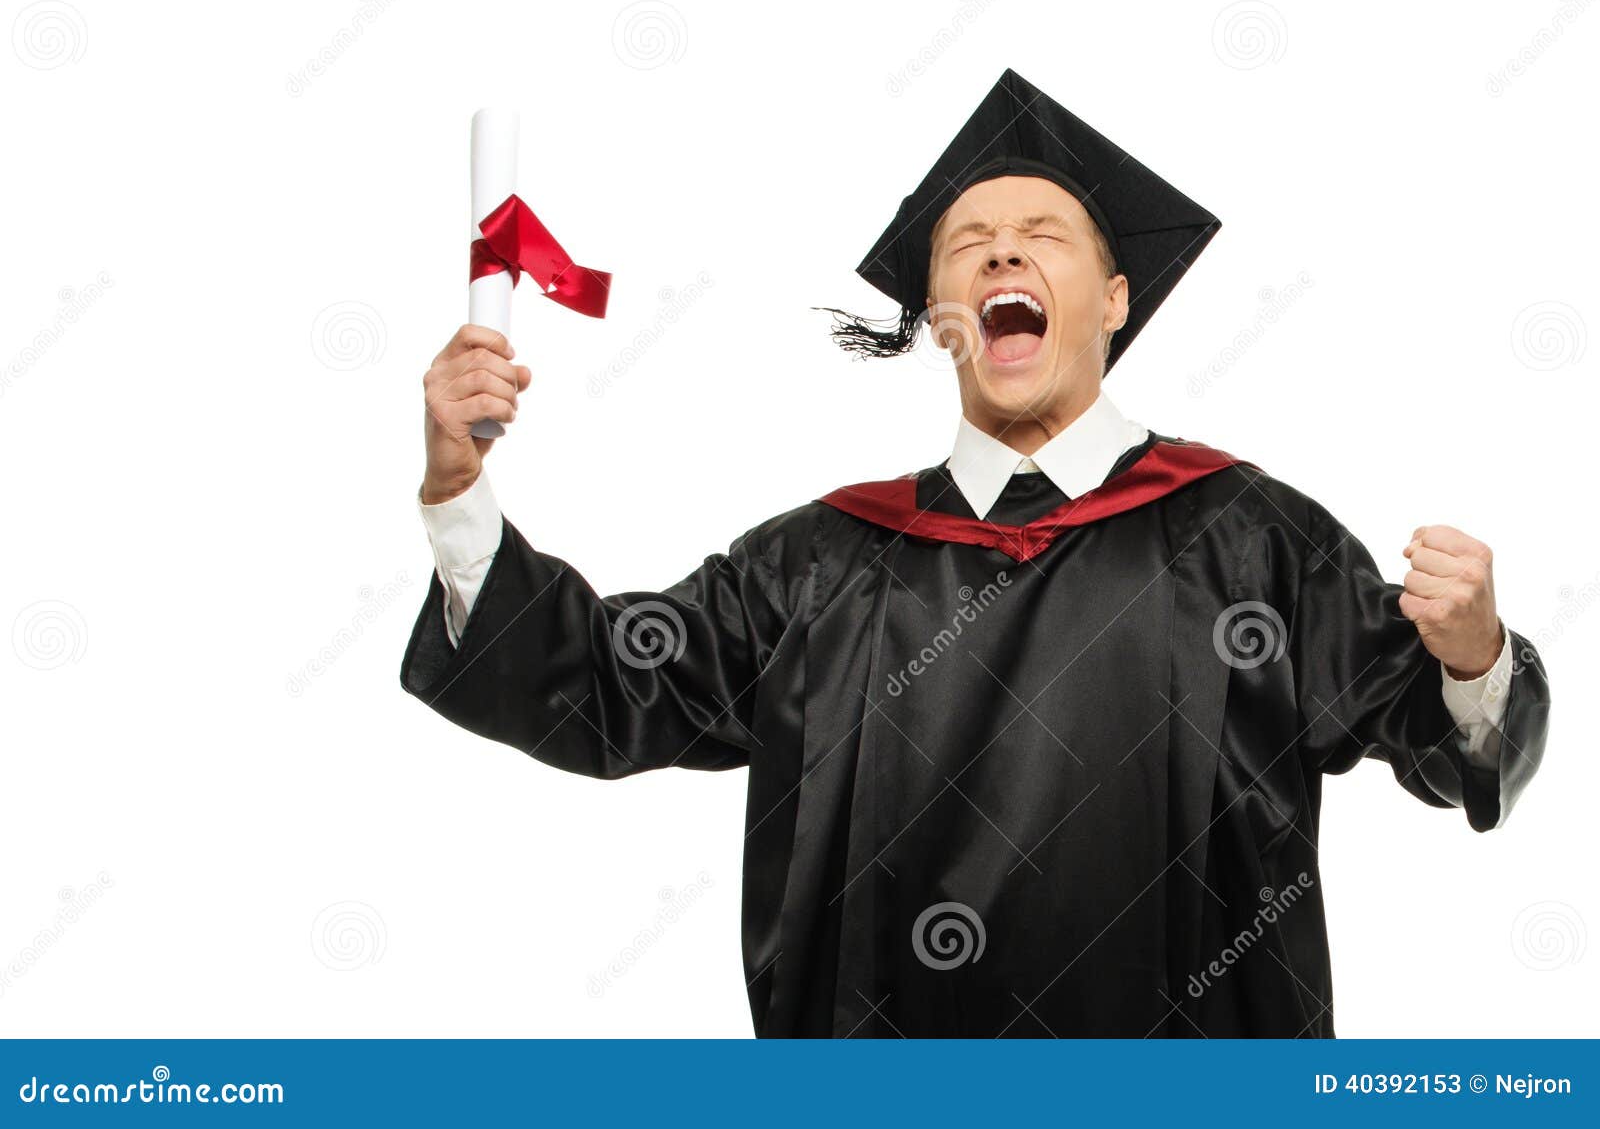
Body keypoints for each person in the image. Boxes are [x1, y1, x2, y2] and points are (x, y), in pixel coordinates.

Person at [400, 68, 1550, 1038]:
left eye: (1042, 235)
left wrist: (1470, 651)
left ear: (1111, 297)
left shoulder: (1252, 538)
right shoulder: (820, 562)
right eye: (968, 247)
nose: (1004, 255)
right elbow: (601, 687)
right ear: (939, 316)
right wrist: (461, 494)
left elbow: (1447, 745)